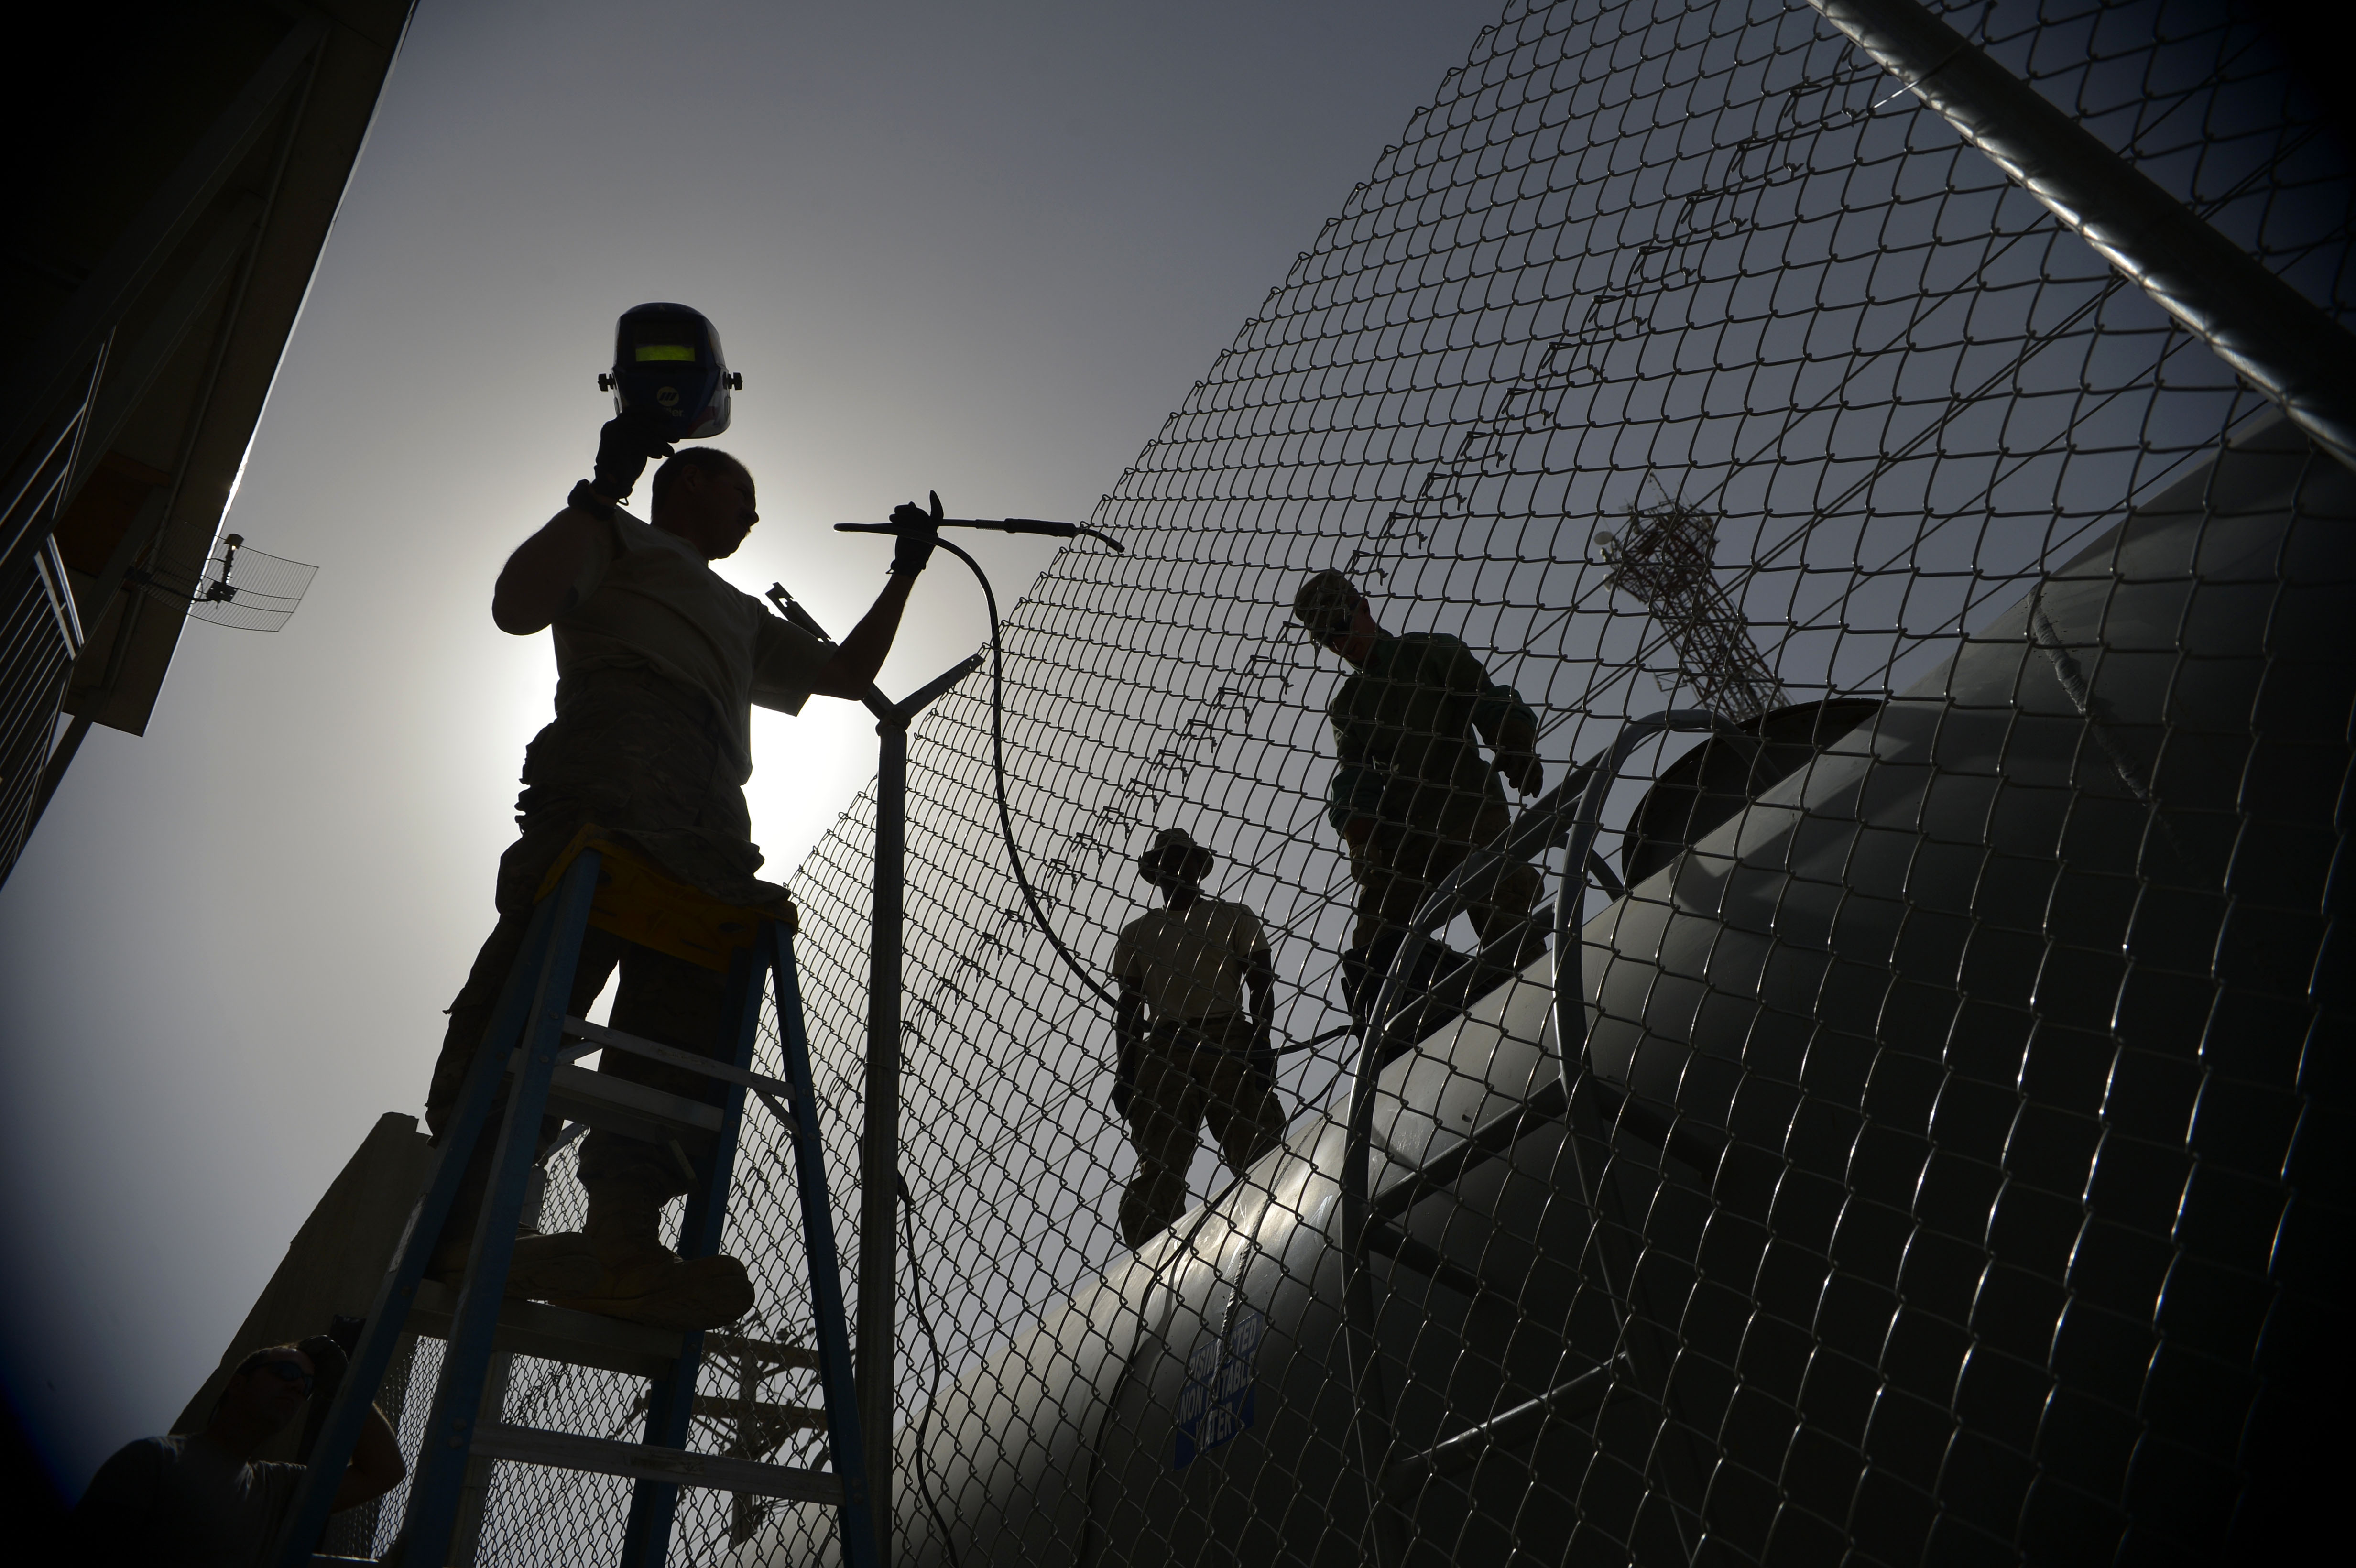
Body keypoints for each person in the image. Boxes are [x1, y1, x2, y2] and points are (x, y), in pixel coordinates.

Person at [424, 408, 938, 1329]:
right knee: (539, 983)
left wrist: (906, 570)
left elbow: (850, 676)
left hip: (711, 804)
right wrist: (599, 492)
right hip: (617, 751)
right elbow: (516, 606)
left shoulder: (737, 614)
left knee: (681, 1018)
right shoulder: (612, 534)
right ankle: (463, 1222)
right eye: (744, 498)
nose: (751, 521)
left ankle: (620, 1239)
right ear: (692, 484)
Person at [1289, 569, 1546, 1024]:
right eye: (1328, 639)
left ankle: (1539, 1003)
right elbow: (1355, 778)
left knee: (1506, 916)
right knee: (1377, 945)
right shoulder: (1349, 706)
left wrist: (1514, 741)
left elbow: (1483, 697)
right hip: (1404, 841)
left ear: (1363, 608)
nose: (1339, 644)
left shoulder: (1425, 651)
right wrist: (1361, 841)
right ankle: (1406, 1033)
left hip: (1468, 809)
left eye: (1341, 627)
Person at [71, 1341, 404, 1566]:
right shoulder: (156, 1459)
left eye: (306, 1386)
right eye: (287, 1374)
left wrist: (347, 1385)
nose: (296, 1387)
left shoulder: (278, 1487)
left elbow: (385, 1472)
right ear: (237, 1384)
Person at [1111, 827, 1287, 1248]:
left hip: (1227, 1033)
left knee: (1256, 1143)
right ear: (1157, 873)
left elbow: (1260, 981)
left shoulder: (1233, 916)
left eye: (1184, 859)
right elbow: (1130, 1008)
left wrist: (1260, 1042)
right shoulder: (1138, 932)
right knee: (1161, 1161)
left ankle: (1273, 1224)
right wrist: (1126, 1069)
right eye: (1169, 860)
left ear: (1197, 867)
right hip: (1166, 1049)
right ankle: (1152, 1250)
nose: (1177, 867)